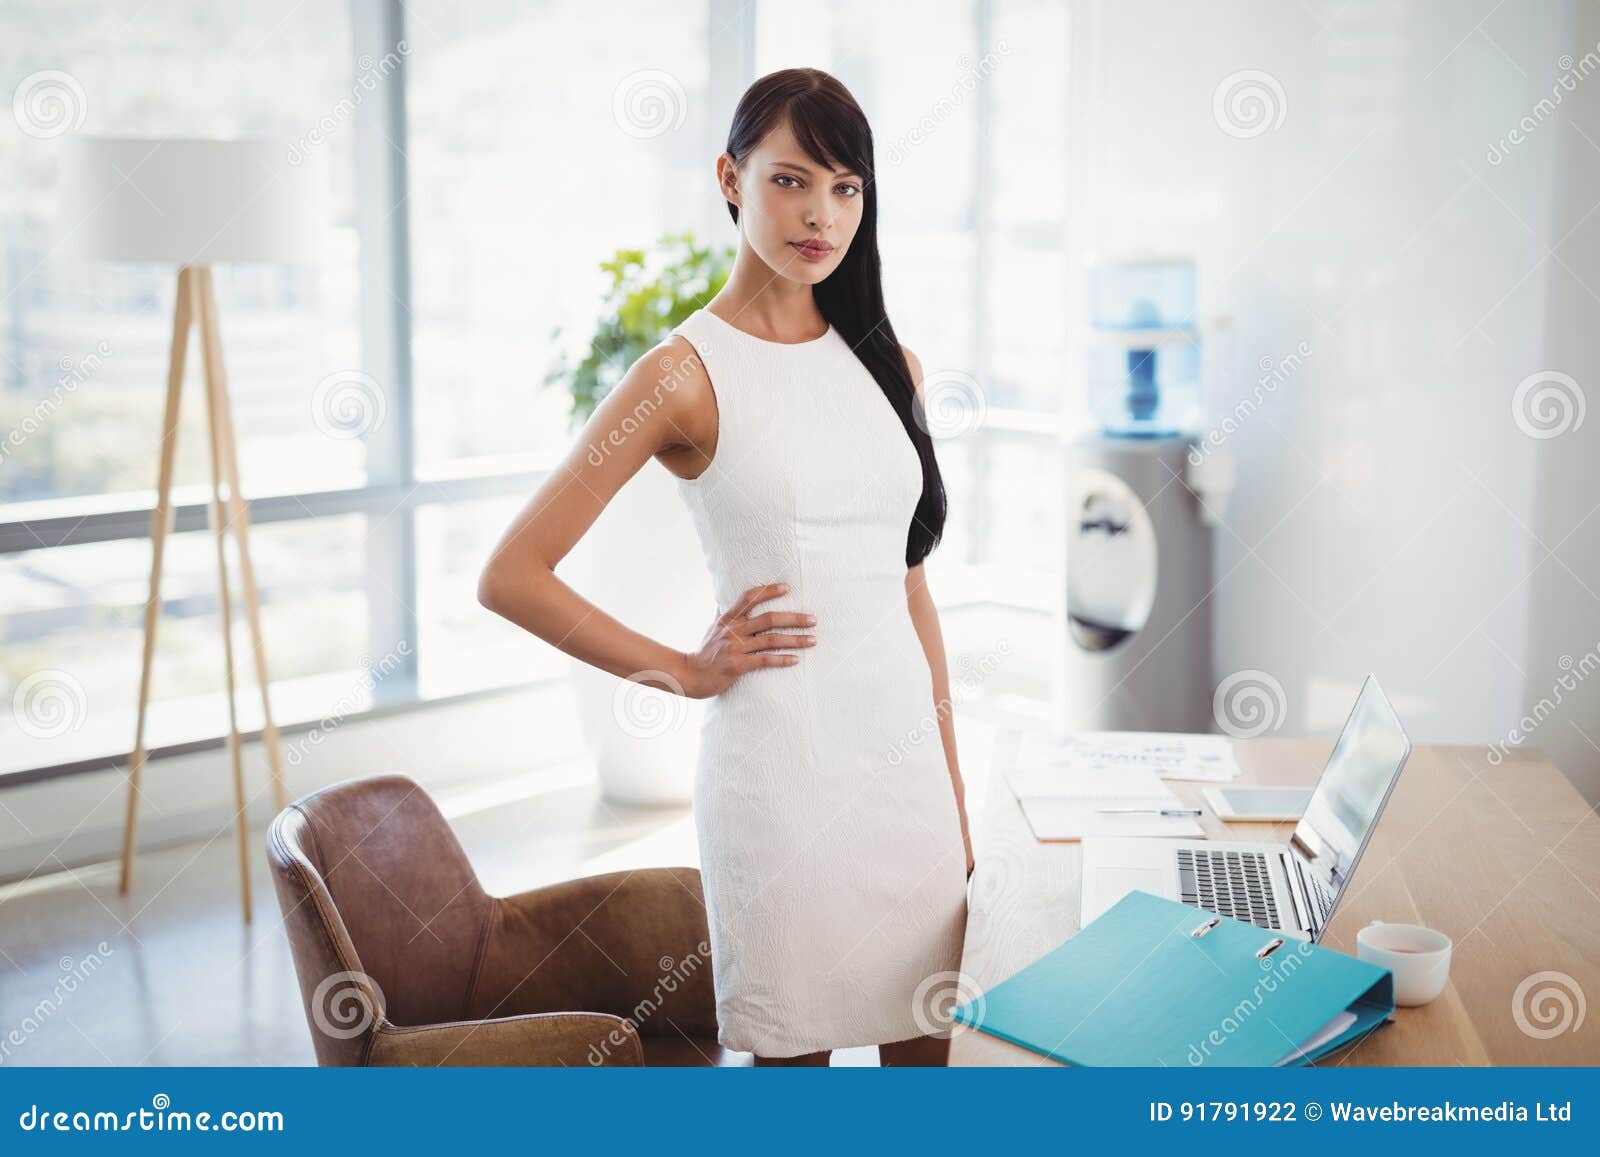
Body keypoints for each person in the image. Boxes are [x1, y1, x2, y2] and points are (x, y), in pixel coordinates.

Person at [478, 67, 974, 1067]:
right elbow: (512, 572)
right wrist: (690, 670)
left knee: (932, 1068)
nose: (820, 213)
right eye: (792, 180)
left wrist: (957, 802)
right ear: (730, 177)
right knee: (791, 1063)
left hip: (906, 778)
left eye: (846, 188)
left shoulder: (893, 364)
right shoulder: (680, 373)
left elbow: (908, 589)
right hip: (779, 776)